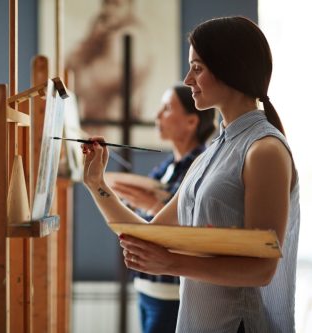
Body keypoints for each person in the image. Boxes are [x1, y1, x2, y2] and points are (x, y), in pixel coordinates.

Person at [80, 16, 300, 333]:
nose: (187, 79)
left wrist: (171, 263)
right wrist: (96, 184)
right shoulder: (212, 153)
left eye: (197, 68)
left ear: (229, 68)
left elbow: (262, 269)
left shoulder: (264, 151)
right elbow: (148, 234)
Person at [108, 84, 215, 333]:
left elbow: (193, 224)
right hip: (148, 287)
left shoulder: (202, 165)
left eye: (166, 108)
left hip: (171, 291)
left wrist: (151, 205)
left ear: (191, 121)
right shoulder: (167, 166)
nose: (157, 116)